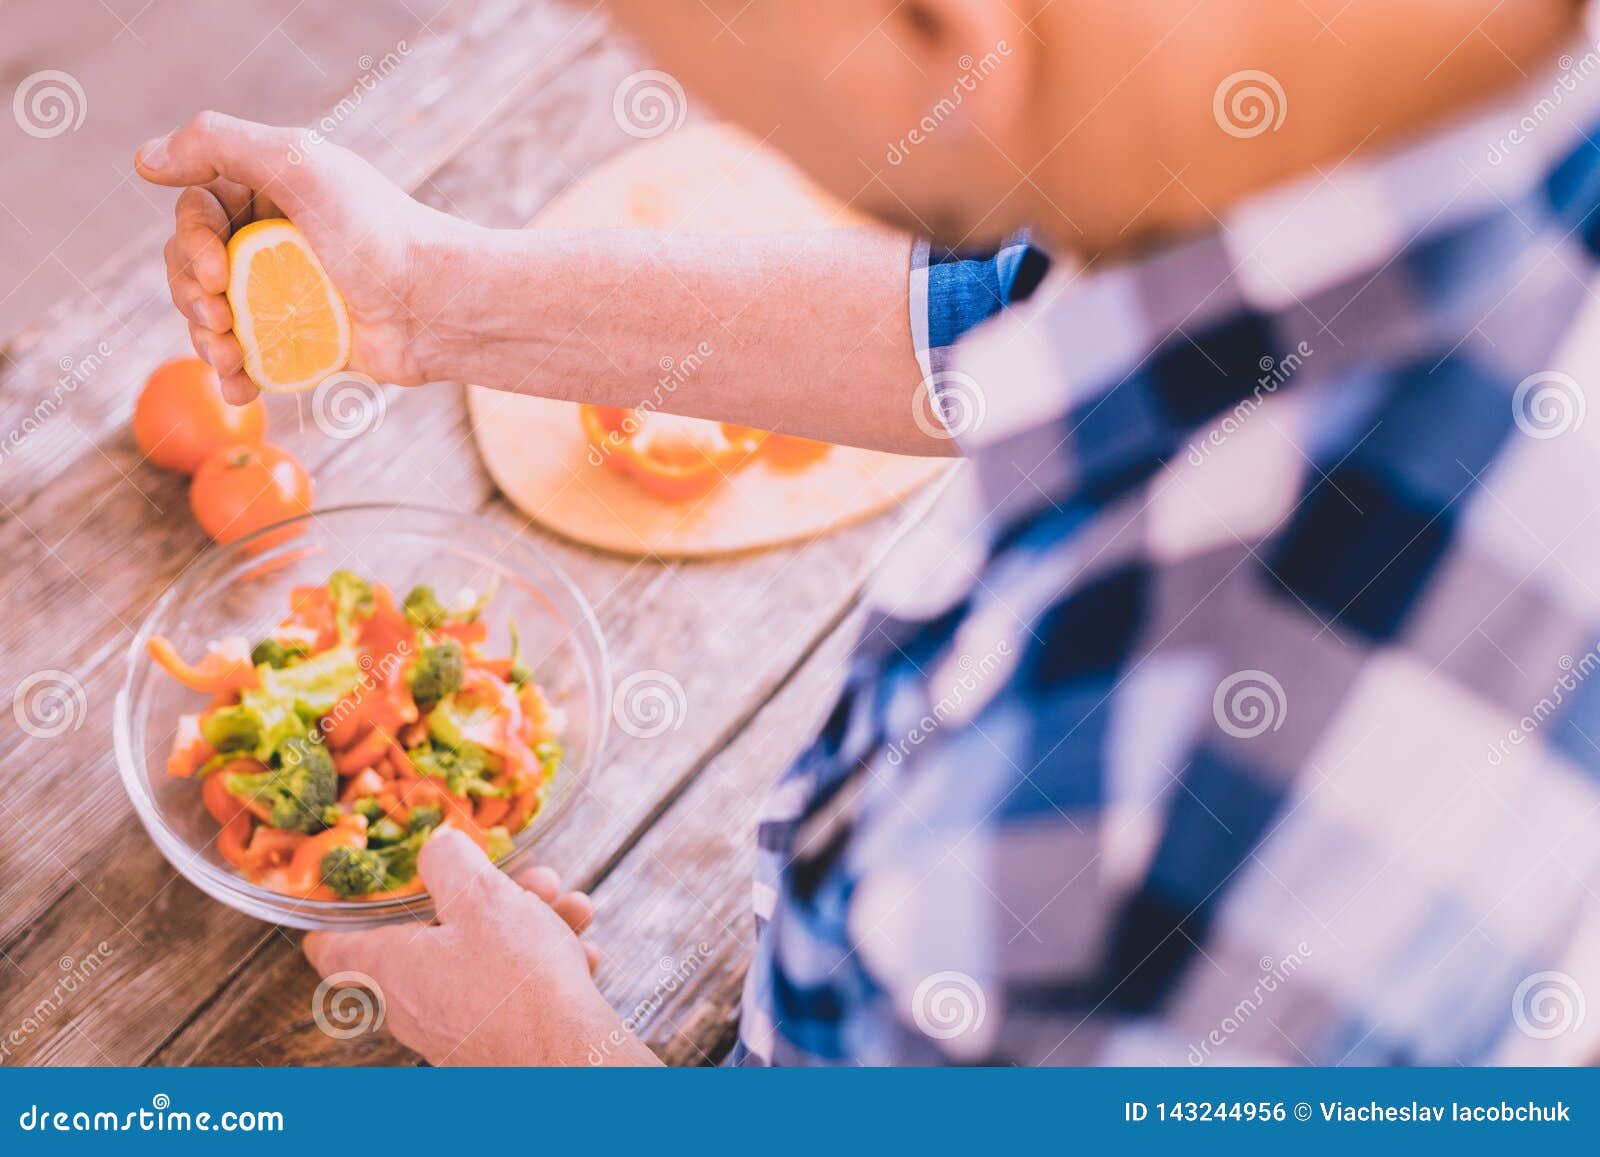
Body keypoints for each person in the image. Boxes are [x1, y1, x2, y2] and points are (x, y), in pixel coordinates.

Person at [137, 0, 1600, 1066]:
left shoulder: (1121, 838)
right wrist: (425, 295)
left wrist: (548, 1052)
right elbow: (1002, 320)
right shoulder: (1363, 131)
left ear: (940, 30)